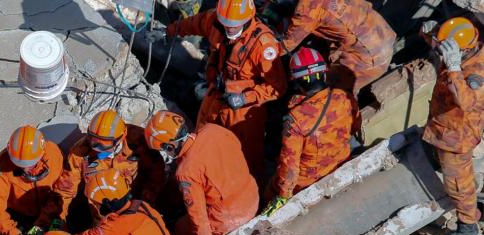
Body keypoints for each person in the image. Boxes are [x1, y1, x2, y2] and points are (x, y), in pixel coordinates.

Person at [159, 0, 287, 180]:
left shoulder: (263, 45)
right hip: (216, 94)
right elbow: (194, 23)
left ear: (247, 20)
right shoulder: (217, 21)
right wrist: (168, 31)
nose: (229, 29)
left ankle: (248, 189)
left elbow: (277, 87)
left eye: (234, 26)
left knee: (246, 155)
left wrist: (245, 98)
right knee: (201, 140)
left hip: (244, 111)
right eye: (226, 25)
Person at [143, 110, 258, 235]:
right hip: (251, 194)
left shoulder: (186, 172)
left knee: (181, 229)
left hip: (229, 216)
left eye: (164, 150)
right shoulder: (213, 130)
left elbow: (197, 215)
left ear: (170, 145)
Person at [263, 47, 359, 215]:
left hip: (307, 182)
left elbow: (289, 166)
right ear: (324, 74)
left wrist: (282, 197)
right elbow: (355, 126)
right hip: (341, 162)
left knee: (269, 189)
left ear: (297, 83)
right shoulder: (344, 97)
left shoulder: (297, 119)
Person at [422, 17, 484, 235]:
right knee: (453, 174)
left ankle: (468, 228)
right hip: (442, 126)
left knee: (458, 184)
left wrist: (455, 69)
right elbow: (442, 42)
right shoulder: (464, 46)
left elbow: (466, 102)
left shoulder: (476, 75)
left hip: (456, 136)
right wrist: (428, 32)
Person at [59, 109, 166, 220]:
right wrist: (58, 218)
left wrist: (145, 201)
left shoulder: (138, 140)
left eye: (104, 145)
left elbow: (156, 171)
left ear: (122, 136)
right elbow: (66, 189)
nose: (98, 150)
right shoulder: (79, 153)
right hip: (101, 214)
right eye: (94, 143)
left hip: (132, 202)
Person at [266, 0, 396, 92]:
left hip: (371, 55)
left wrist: (263, 51)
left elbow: (285, 46)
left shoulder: (308, 9)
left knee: (329, 95)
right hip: (377, 29)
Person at [0, 125, 66, 235]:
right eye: (20, 163)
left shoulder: (53, 153)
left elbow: (63, 190)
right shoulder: (2, 167)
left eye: (31, 163)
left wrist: (52, 222)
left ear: (42, 153)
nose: (25, 168)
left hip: (50, 210)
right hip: (20, 216)